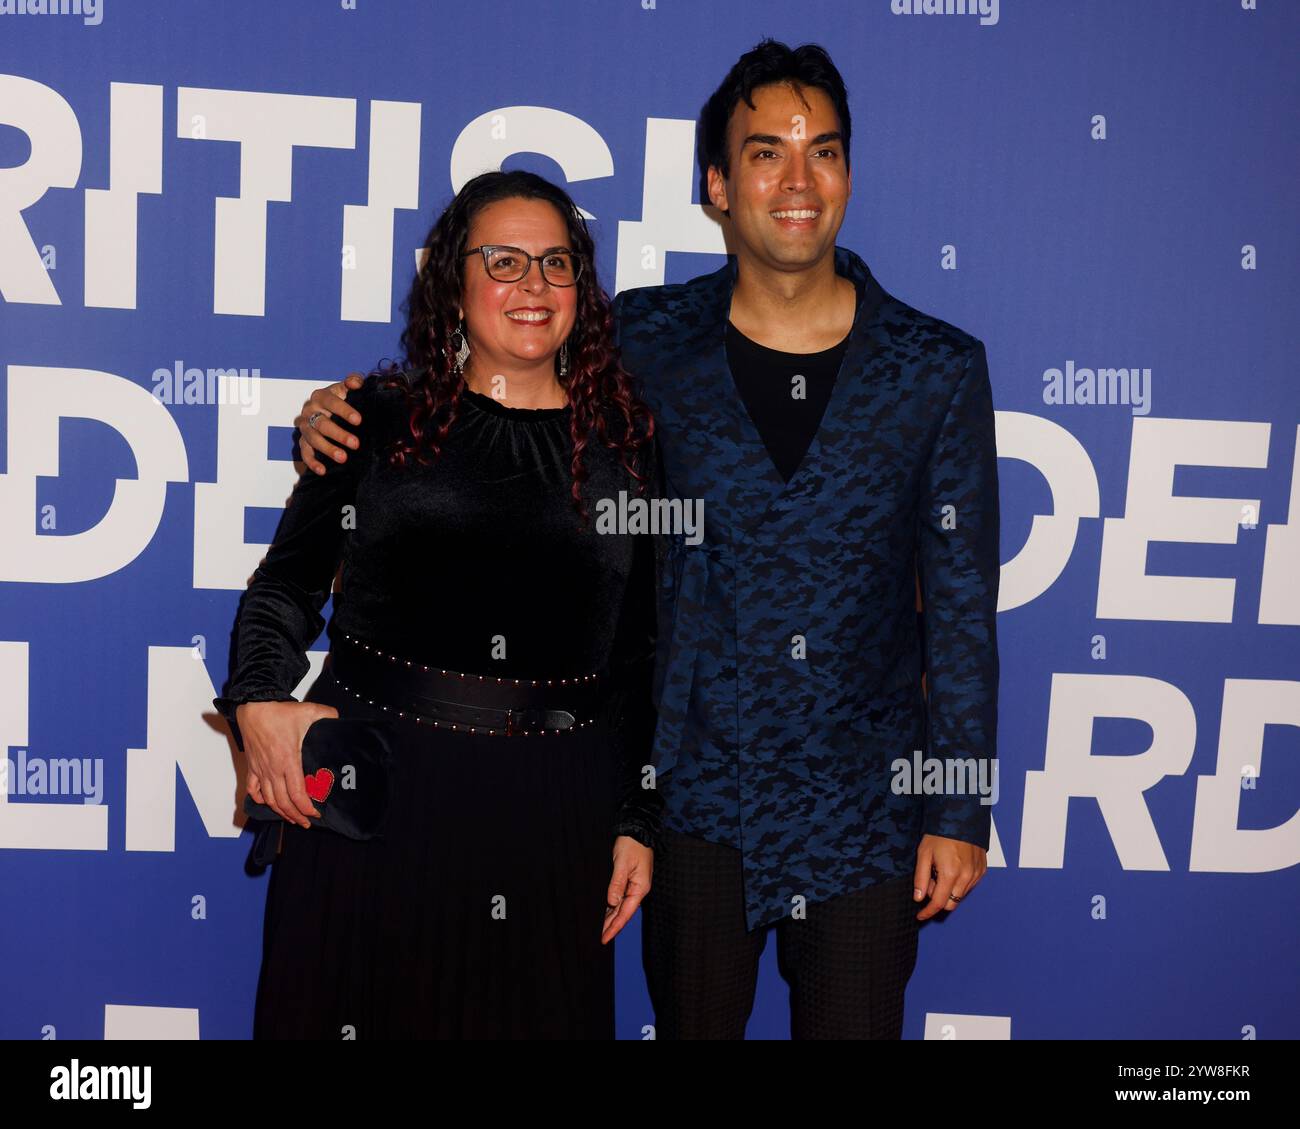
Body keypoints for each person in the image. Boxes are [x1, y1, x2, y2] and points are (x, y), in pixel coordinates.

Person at [295, 40, 1000, 1040]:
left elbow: (963, 607)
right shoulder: (643, 339)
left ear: (848, 172)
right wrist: (344, 412)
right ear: (718, 185)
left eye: (824, 152)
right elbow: (502, 393)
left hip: (864, 811)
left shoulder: (936, 367)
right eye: (765, 153)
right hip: (692, 801)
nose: (798, 181)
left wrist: (957, 808)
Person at [214, 169, 664, 1040]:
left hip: (550, 812)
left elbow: (643, 654)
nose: (534, 284)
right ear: (453, 283)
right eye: (504, 261)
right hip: (376, 795)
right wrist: (258, 700)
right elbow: (285, 587)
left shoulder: (632, 452)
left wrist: (640, 816)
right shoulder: (372, 419)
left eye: (557, 263)